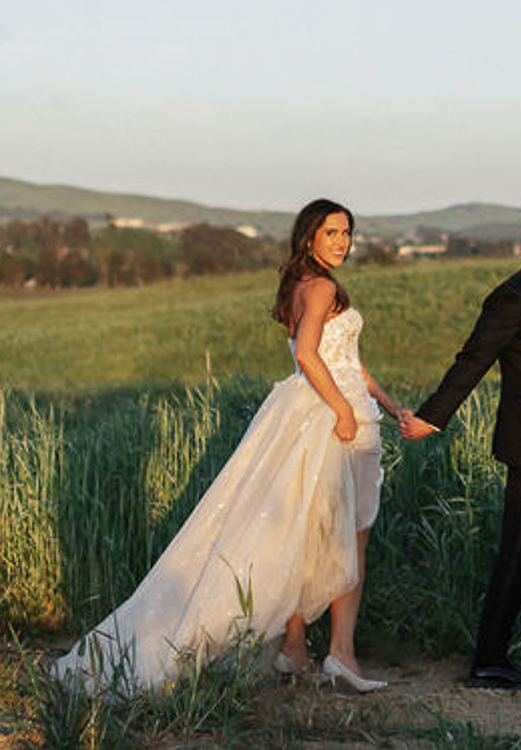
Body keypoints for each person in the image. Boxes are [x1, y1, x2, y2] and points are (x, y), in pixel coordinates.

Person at [54, 198, 398, 695]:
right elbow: (308, 354)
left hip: (320, 411)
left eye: (347, 233)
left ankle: (294, 648)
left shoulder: (302, 286)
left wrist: (385, 401)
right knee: (350, 537)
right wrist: (344, 411)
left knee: (309, 536)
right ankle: (340, 654)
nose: (342, 242)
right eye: (332, 233)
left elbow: (345, 360)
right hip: (334, 419)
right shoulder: (321, 286)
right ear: (309, 238)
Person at [400, 200, 521, 689]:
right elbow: (473, 359)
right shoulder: (511, 297)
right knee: (519, 549)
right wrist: (432, 416)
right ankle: (489, 658)